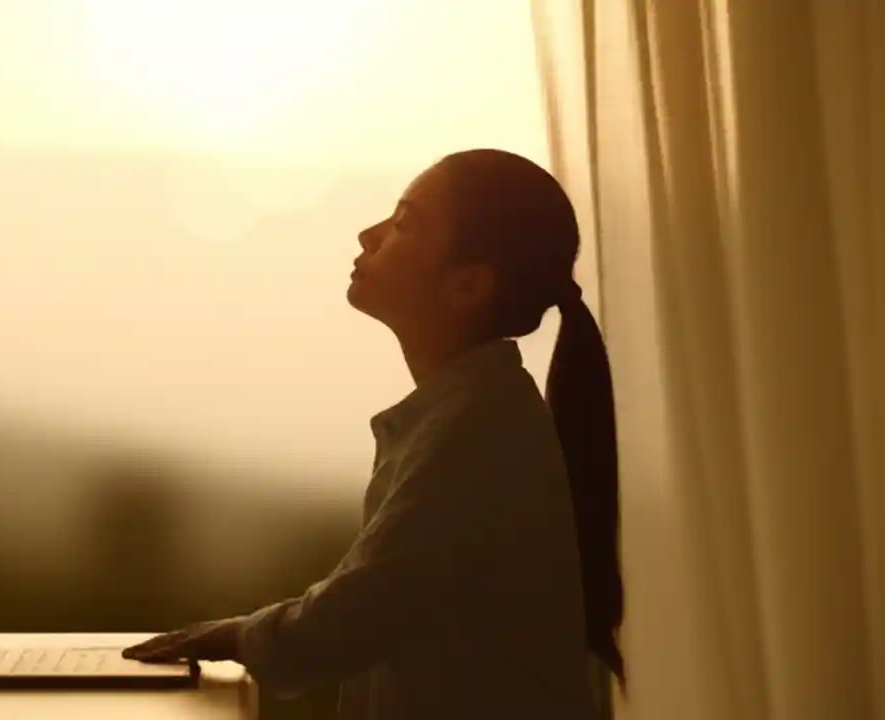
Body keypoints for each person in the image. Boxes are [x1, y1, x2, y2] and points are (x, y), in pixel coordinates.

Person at [123, 149, 625, 718]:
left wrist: (239, 636)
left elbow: (358, 611)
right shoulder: (472, 414)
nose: (368, 235)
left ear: (468, 286)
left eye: (404, 223)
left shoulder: (474, 433)